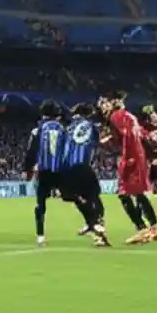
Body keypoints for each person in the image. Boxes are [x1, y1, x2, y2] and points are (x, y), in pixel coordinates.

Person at [102, 92, 157, 245]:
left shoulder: (116, 116)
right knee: (138, 193)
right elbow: (141, 134)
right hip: (139, 156)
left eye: (105, 102)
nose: (103, 106)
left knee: (124, 194)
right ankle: (154, 228)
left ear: (114, 102)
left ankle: (141, 229)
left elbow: (128, 136)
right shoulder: (129, 116)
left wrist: (128, 158)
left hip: (131, 158)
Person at [64, 102, 108, 246]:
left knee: (77, 196)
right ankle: (97, 224)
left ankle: (90, 223)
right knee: (93, 195)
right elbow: (99, 142)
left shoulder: (68, 127)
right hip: (82, 166)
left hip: (67, 168)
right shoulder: (91, 126)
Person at [23, 100, 66, 247]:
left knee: (40, 203)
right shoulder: (63, 129)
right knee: (77, 198)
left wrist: (27, 169)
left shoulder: (37, 130)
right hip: (60, 171)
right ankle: (94, 226)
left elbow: (31, 151)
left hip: (43, 170)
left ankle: (40, 236)